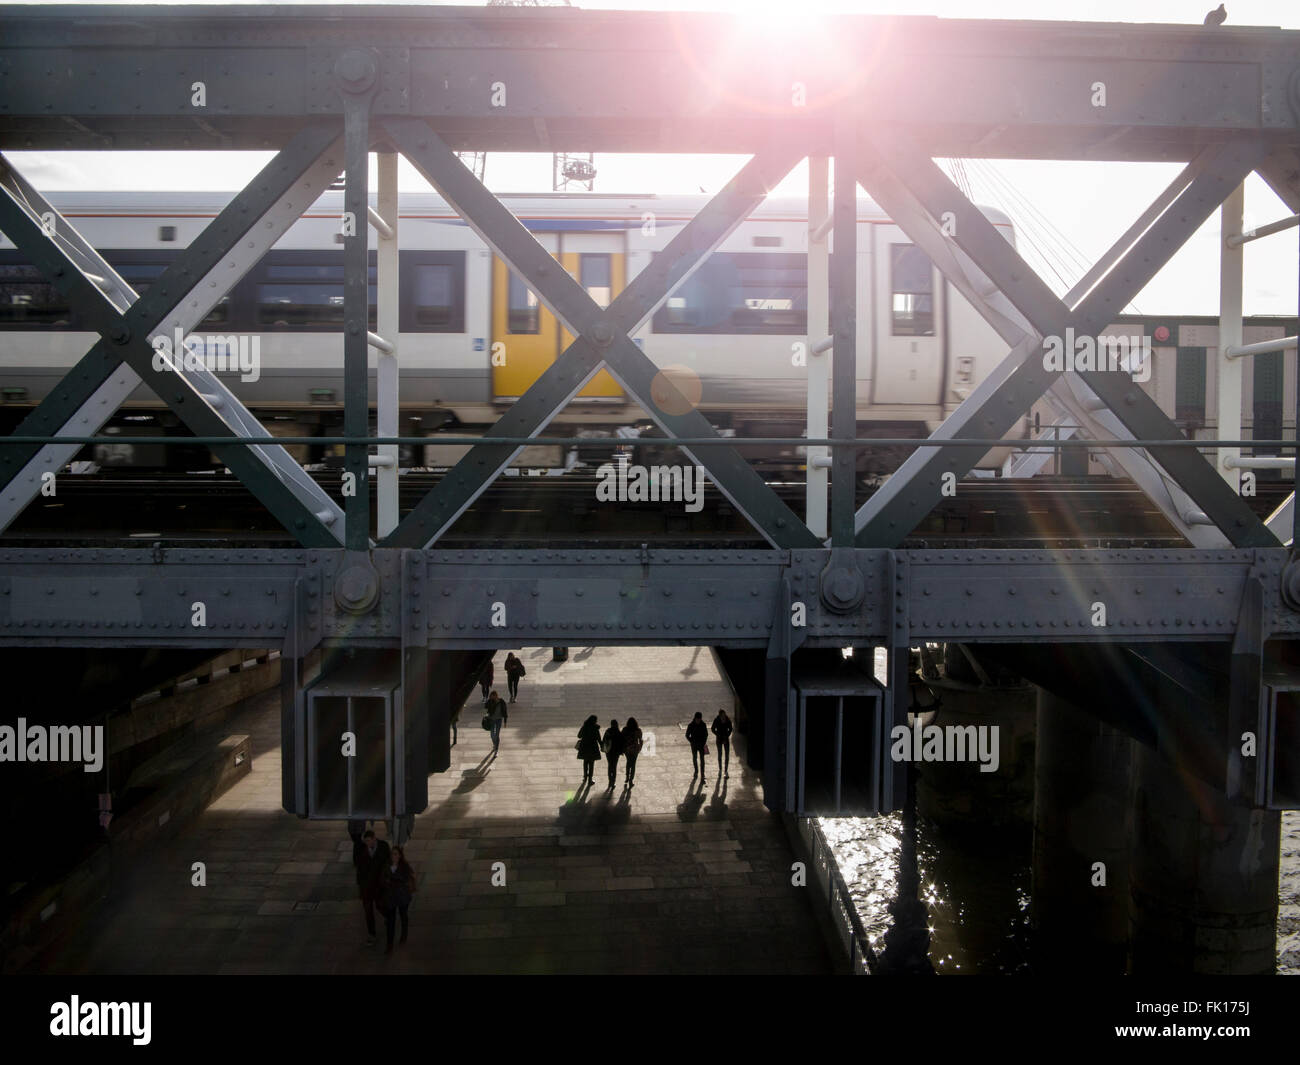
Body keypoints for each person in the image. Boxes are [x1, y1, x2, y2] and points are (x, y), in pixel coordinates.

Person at [351, 827, 391, 945]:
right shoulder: (362, 849)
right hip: (366, 886)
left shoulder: (383, 846)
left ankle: (388, 916)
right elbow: (358, 865)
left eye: (369, 841)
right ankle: (371, 934)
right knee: (368, 911)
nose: (368, 843)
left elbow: (387, 863)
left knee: (379, 905)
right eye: (366, 841)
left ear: (374, 839)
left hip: (379, 884)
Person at [380, 844, 417, 954]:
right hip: (390, 897)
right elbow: (381, 879)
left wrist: (394, 881)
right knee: (391, 921)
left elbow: (408, 878)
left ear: (400, 856)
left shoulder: (404, 867)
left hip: (401, 896)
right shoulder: (386, 866)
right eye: (392, 854)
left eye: (395, 854)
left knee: (403, 915)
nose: (393, 856)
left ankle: (404, 933)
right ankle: (389, 944)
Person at [576, 714, 602, 785]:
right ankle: (590, 779)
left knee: (585, 762)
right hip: (593, 747)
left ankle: (585, 777)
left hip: (584, 747)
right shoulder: (595, 728)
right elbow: (599, 739)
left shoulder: (584, 727)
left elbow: (579, 736)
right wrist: (602, 746)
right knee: (591, 763)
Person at [686, 711, 708, 782]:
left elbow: (706, 734)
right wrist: (692, 742)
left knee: (702, 760)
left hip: (701, 745)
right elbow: (687, 735)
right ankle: (696, 771)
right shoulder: (691, 725)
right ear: (695, 718)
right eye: (697, 719)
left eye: (699, 719)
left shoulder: (703, 725)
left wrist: (704, 742)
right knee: (695, 758)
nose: (698, 721)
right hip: (694, 745)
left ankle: (702, 775)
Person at [711, 707, 733, 778]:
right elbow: (712, 729)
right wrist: (718, 734)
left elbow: (730, 729)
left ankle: (726, 771)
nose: (724, 716)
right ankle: (720, 769)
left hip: (726, 740)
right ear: (720, 715)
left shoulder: (727, 720)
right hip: (719, 740)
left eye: (724, 715)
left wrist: (727, 735)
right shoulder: (716, 720)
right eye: (722, 715)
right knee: (720, 755)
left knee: (727, 755)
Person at [601, 719, 624, 790]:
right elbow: (622, 742)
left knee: (610, 765)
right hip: (616, 752)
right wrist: (622, 751)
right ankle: (613, 782)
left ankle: (610, 781)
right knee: (614, 766)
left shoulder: (608, 731)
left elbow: (604, 740)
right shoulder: (618, 732)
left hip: (609, 751)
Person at [622, 717, 643, 788]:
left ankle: (627, 777)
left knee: (628, 762)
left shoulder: (625, 729)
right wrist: (640, 747)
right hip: (635, 749)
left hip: (627, 749)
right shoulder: (638, 730)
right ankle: (631, 780)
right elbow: (641, 740)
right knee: (633, 764)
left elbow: (621, 738)